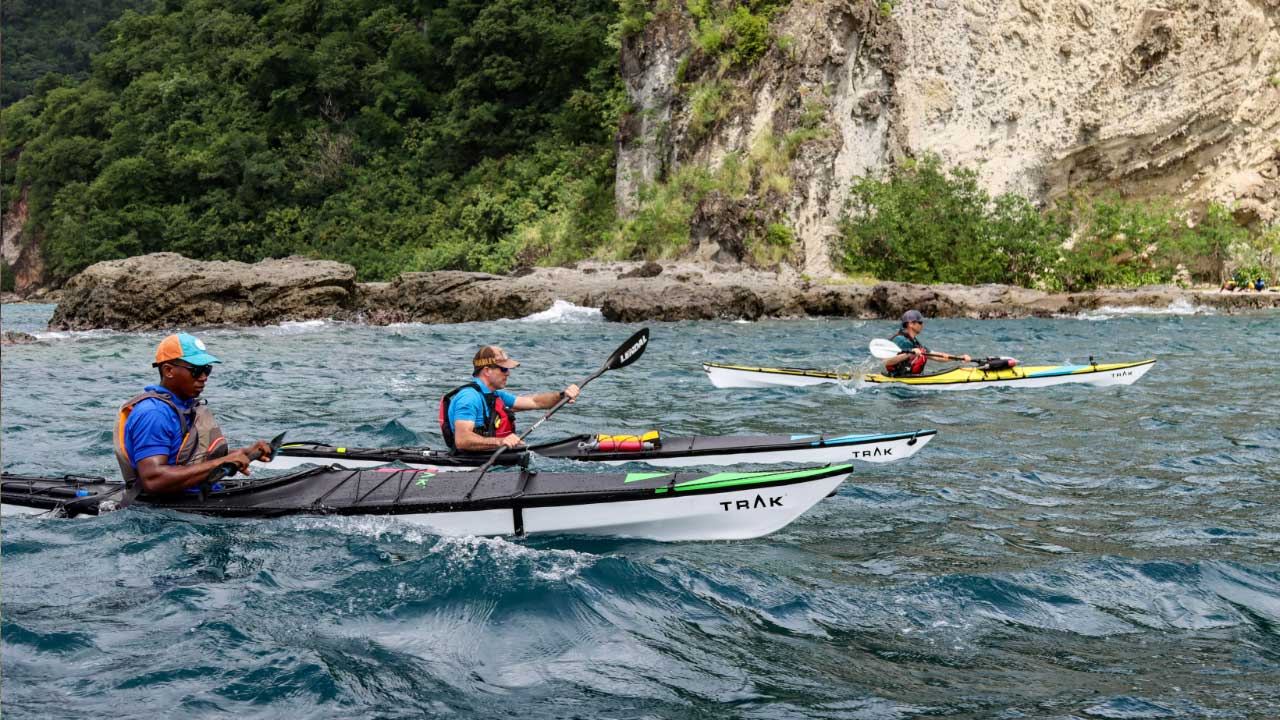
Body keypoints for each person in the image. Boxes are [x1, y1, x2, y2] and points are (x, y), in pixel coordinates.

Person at [113, 333, 274, 494]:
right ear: (168, 370)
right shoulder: (154, 413)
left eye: (207, 369)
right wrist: (222, 462)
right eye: (196, 371)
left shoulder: (184, 405)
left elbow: (190, 459)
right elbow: (153, 480)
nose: (204, 377)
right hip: (172, 511)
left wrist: (244, 454)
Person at [440, 345, 580, 453]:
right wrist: (500, 442)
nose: (508, 373)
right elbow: (462, 440)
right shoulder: (469, 398)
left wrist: (562, 396)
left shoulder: (495, 395)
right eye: (504, 369)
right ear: (487, 370)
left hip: (492, 455)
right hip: (470, 459)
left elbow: (535, 402)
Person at [882, 310, 972, 377]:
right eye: (920, 322)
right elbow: (886, 362)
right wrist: (908, 354)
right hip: (898, 382)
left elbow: (935, 355)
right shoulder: (900, 339)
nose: (922, 325)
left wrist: (958, 358)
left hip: (909, 378)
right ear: (910, 324)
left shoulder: (914, 341)